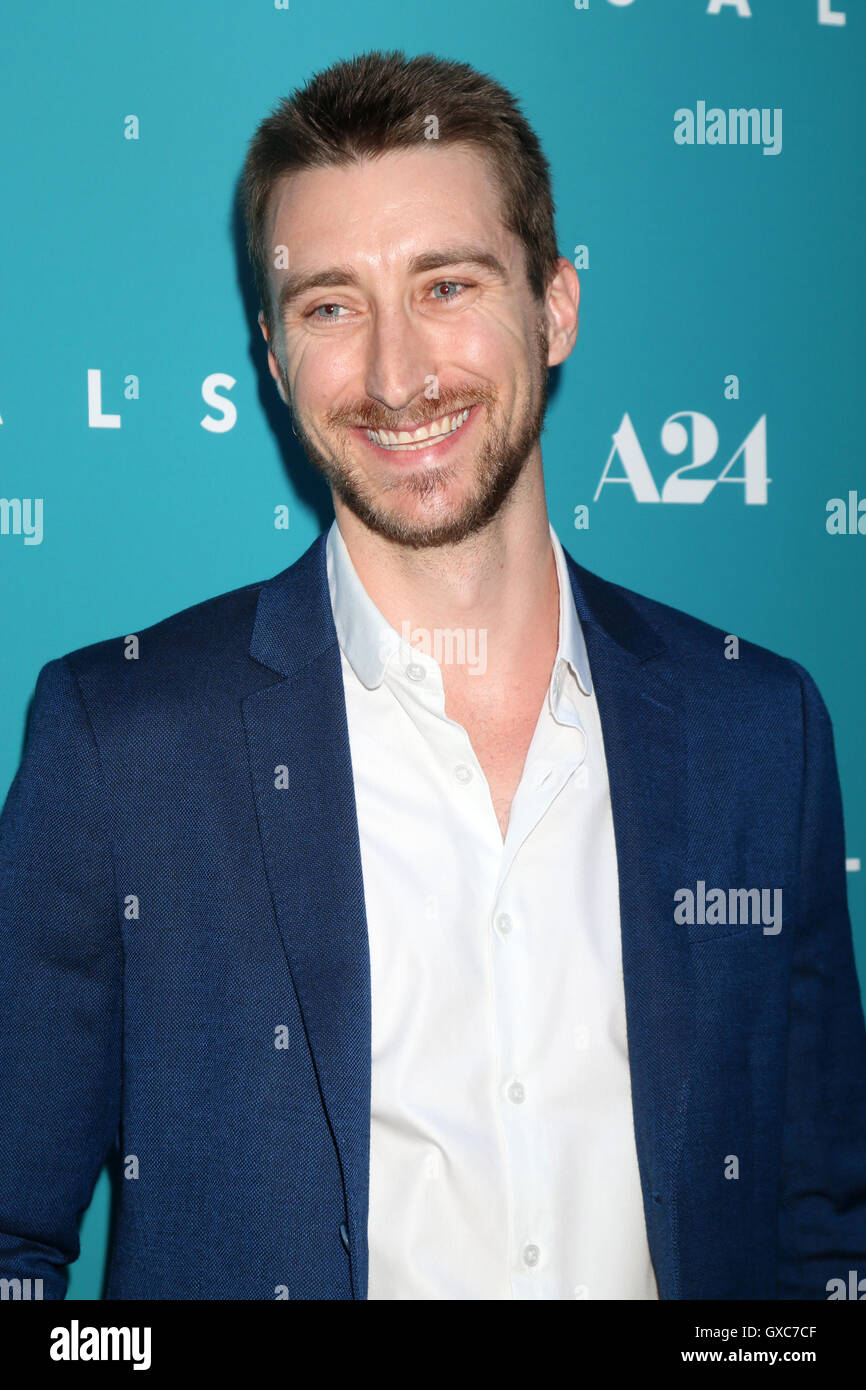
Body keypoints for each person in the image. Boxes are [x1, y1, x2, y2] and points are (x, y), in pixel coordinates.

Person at [1, 49, 865, 1302]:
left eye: (445, 284)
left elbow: (821, 1223)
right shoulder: (121, 738)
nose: (398, 376)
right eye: (331, 306)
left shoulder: (756, 725)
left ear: (554, 305)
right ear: (274, 354)